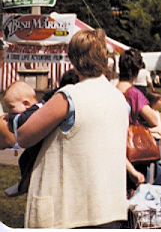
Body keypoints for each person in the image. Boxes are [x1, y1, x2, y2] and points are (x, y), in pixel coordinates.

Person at [0, 29, 129, 228]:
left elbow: (24, 137)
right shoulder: (119, 99)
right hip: (110, 209)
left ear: (74, 60)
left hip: (70, 213)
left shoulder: (68, 96)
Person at [118, 48, 161, 183]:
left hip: (117, 146)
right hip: (133, 150)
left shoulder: (113, 90)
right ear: (137, 71)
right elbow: (153, 120)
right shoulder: (134, 94)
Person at [3, 81, 44, 197]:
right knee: (23, 160)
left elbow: (22, 120)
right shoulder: (37, 107)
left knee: (30, 164)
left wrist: (10, 118)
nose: (10, 111)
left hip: (40, 149)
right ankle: (23, 182)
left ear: (26, 103)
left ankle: (25, 184)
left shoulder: (35, 111)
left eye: (11, 107)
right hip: (34, 147)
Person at [146, 91, 161, 181]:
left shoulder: (157, 113)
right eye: (160, 100)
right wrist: (158, 132)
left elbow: (159, 126)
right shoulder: (148, 113)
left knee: (159, 162)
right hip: (150, 139)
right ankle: (146, 181)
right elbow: (146, 129)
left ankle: (158, 180)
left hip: (157, 140)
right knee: (148, 163)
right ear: (154, 101)